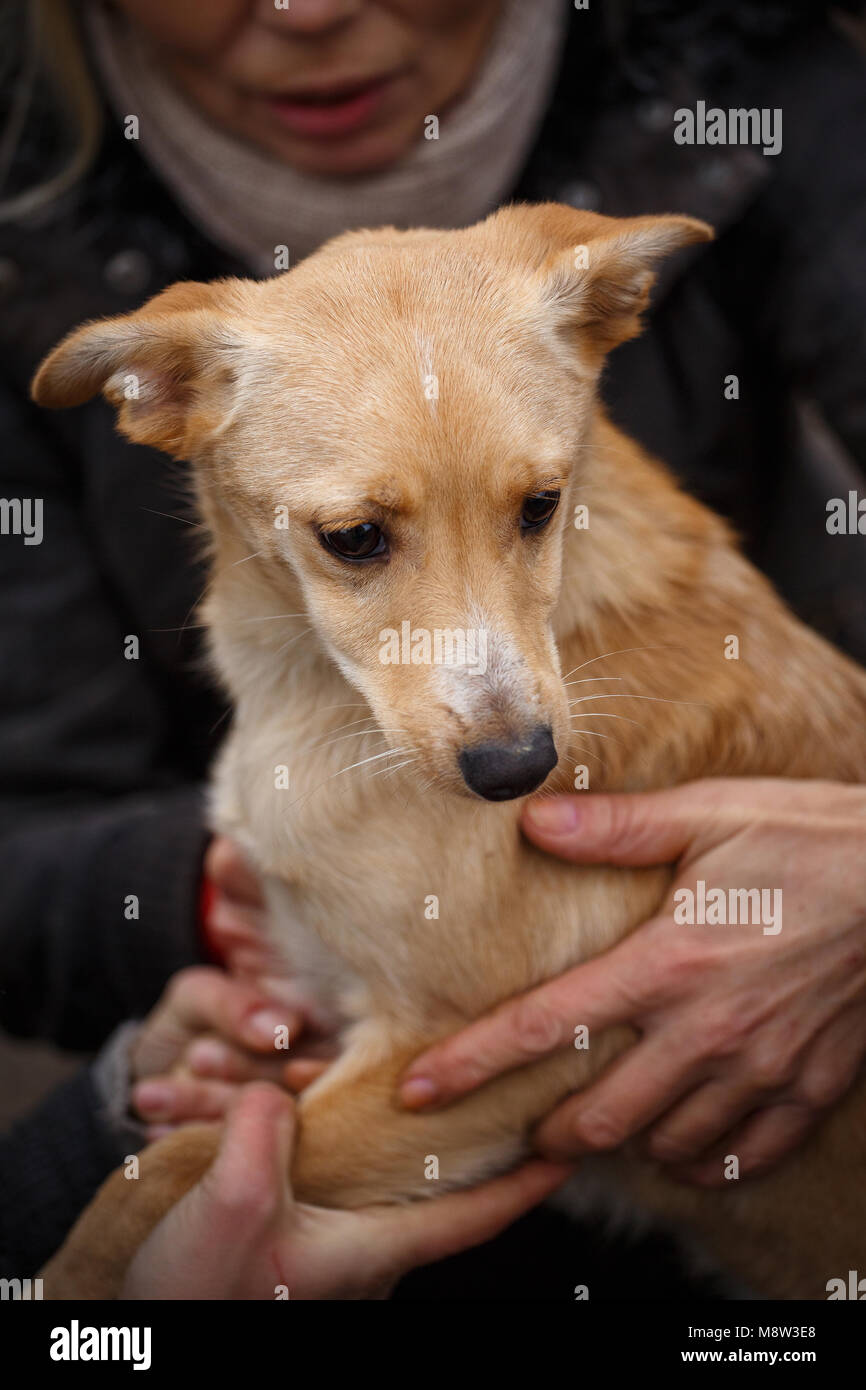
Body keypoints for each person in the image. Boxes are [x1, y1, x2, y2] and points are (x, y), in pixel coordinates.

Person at [1, 0, 865, 1298]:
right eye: (358, 537)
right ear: (160, 395)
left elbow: (476, 1068)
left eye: (532, 510)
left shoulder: (768, 94)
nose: (500, 705)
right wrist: (226, 908)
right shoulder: (69, 250)